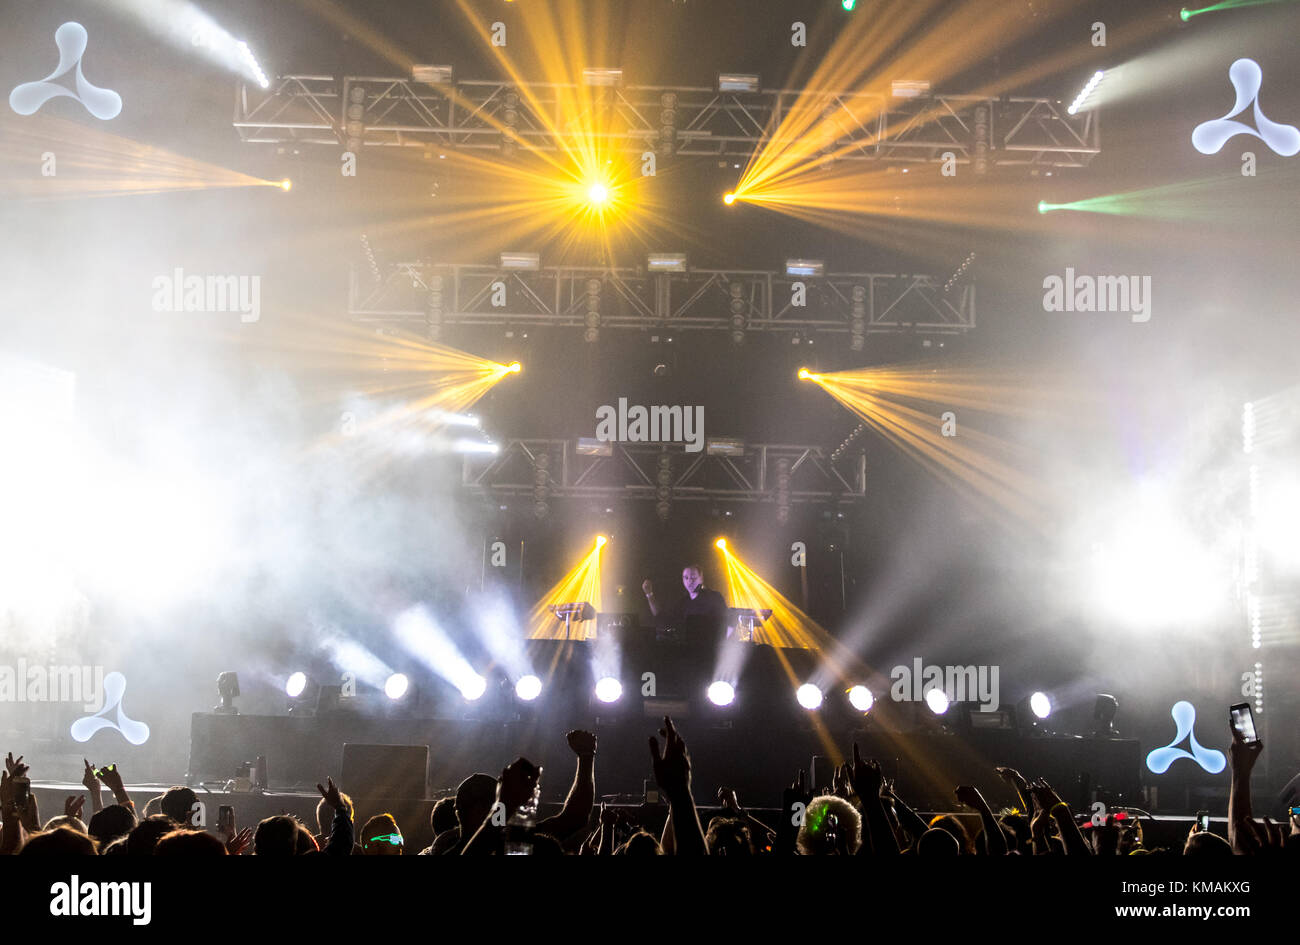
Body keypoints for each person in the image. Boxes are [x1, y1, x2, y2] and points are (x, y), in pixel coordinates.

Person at [642, 565, 728, 642]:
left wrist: (721, 645)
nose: (689, 581)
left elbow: (729, 621)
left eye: (693, 578)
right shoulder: (683, 603)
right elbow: (662, 619)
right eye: (686, 578)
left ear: (701, 578)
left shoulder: (714, 597)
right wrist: (649, 594)